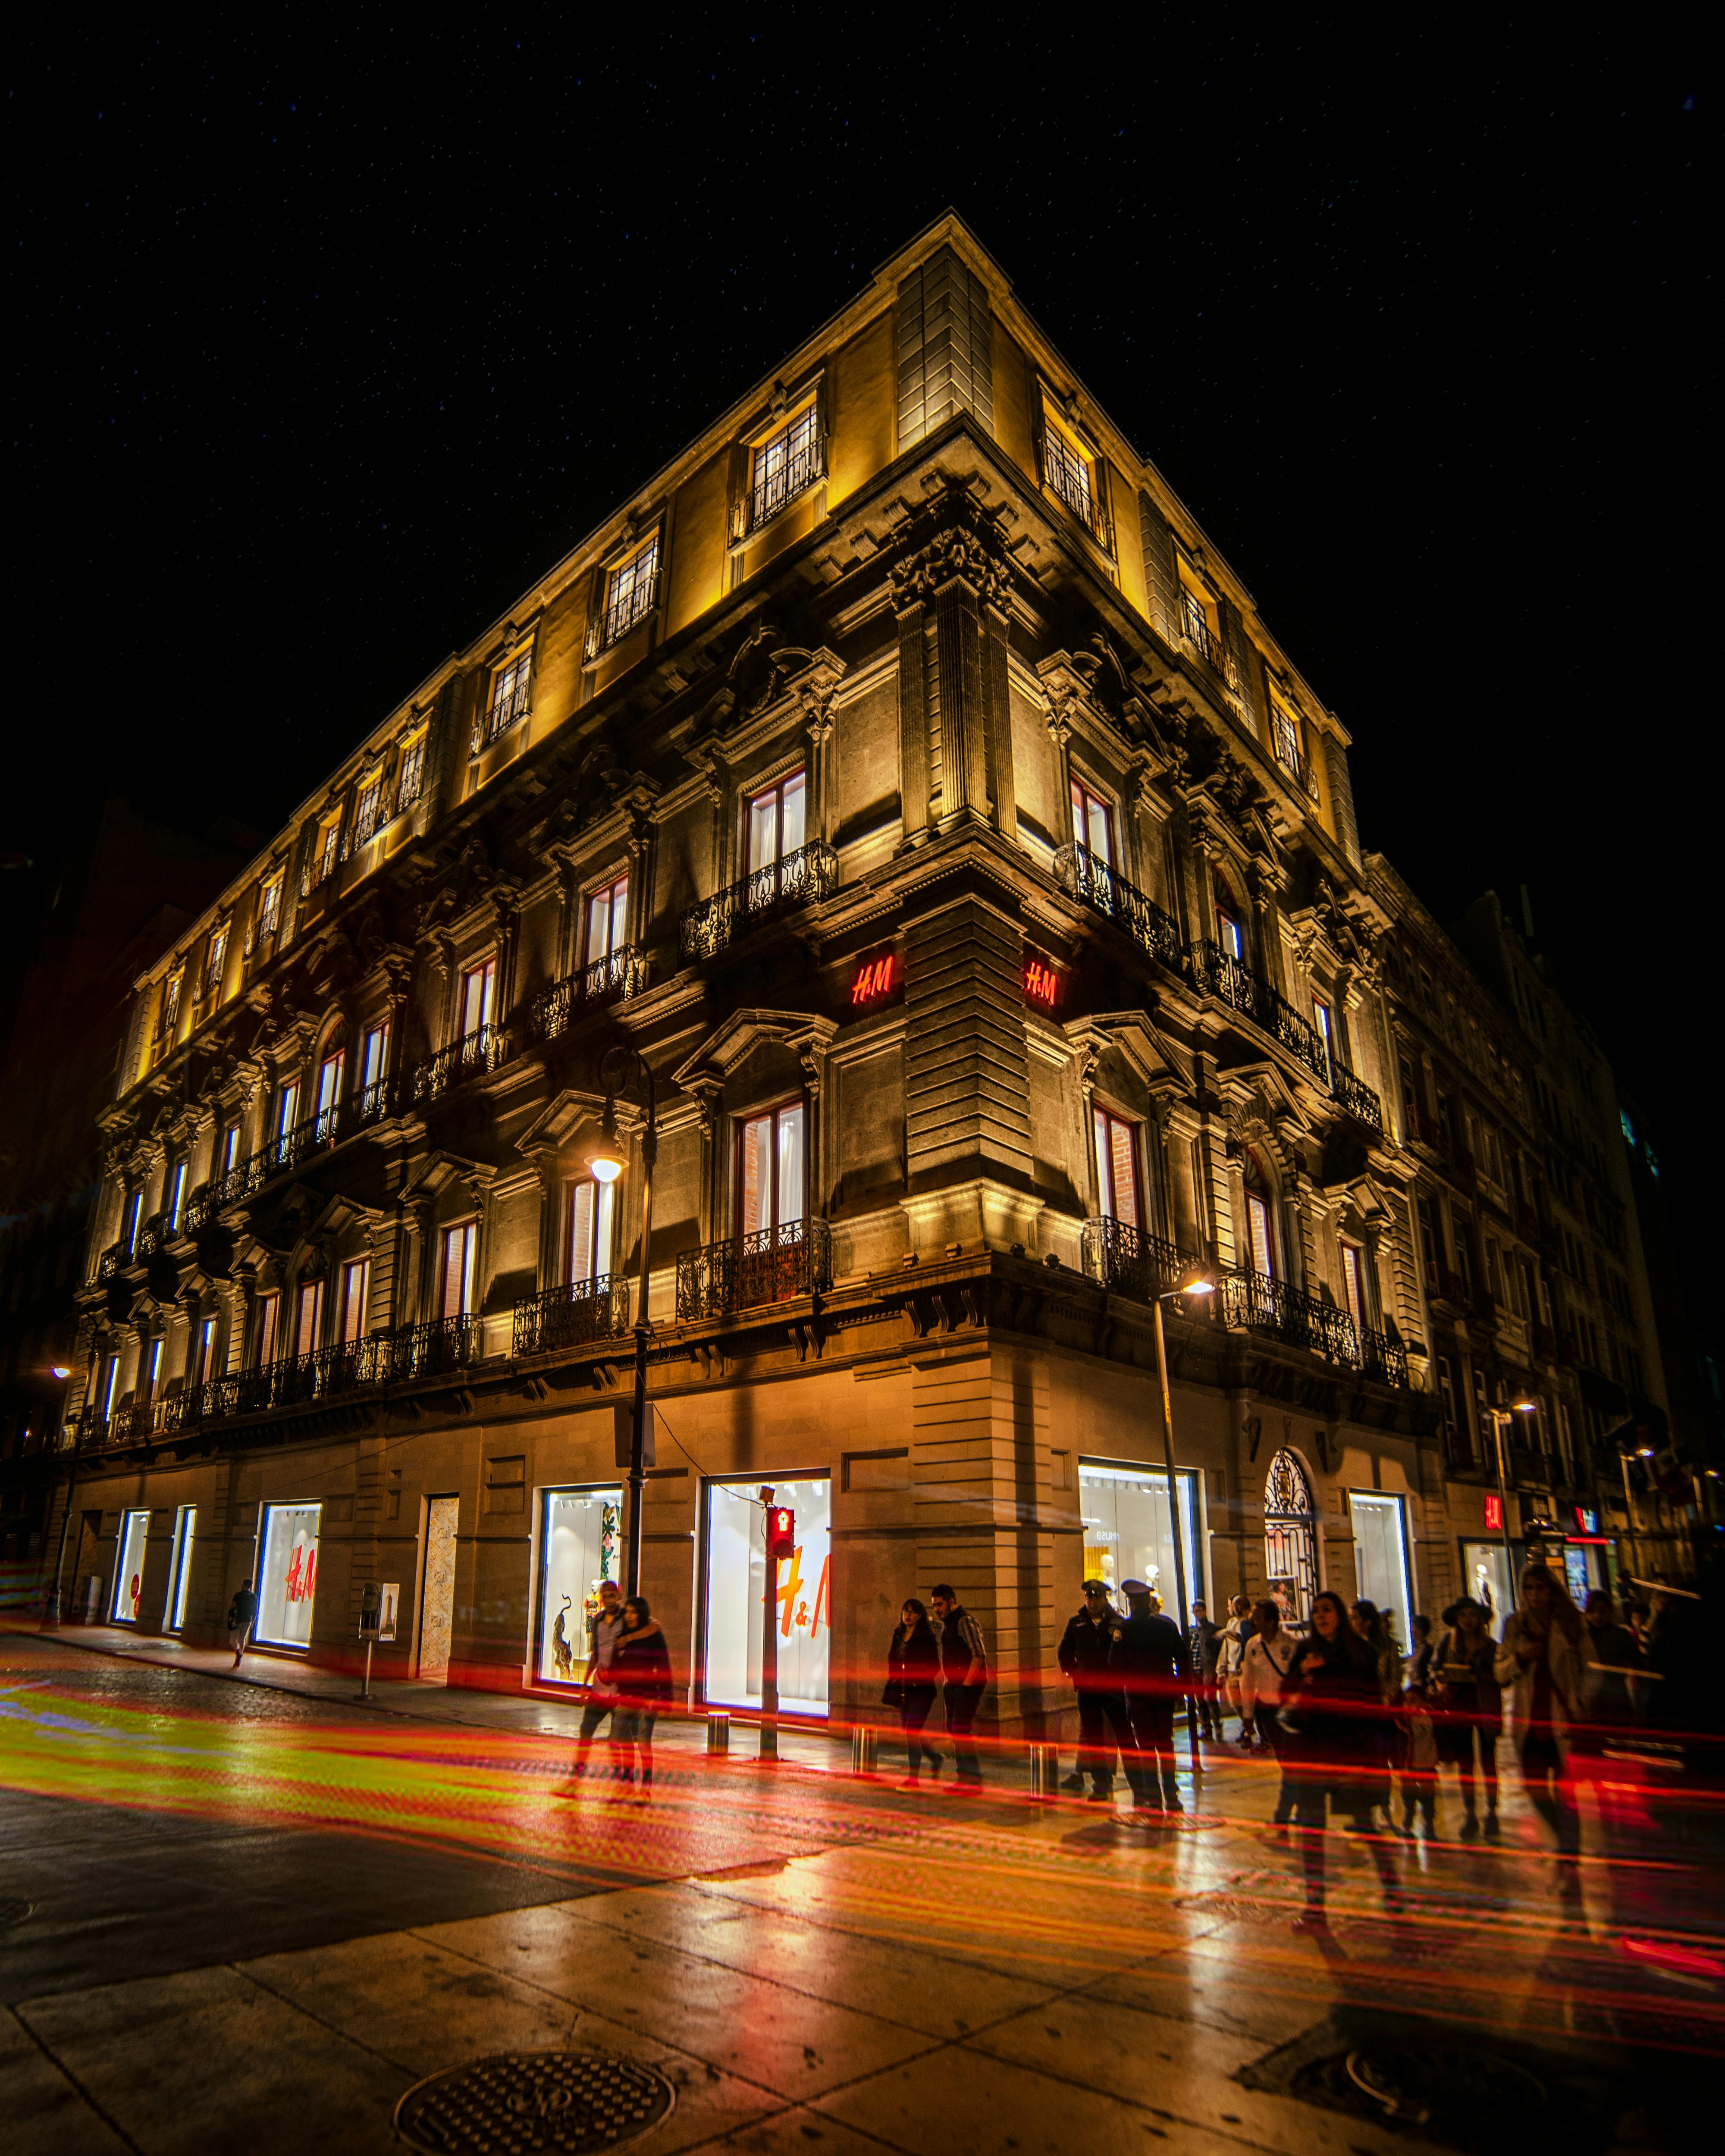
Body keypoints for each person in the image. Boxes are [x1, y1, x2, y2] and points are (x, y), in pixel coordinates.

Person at [1278, 1589, 1402, 1930]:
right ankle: (1315, 1907)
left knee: (1365, 1824)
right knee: (1312, 1829)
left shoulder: (1360, 1652)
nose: (1321, 1616)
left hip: (1349, 1753)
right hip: (1313, 1752)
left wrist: (1366, 1760)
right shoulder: (1306, 1649)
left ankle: (1393, 1893)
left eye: (1328, 1610)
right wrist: (1303, 1671)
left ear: (1340, 1616)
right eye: (1316, 1611)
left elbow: (1371, 1706)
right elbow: (1285, 1692)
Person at [1496, 1564, 1585, 1896]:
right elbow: (1500, 1672)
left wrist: (1580, 1704)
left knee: (1568, 1799)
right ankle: (1565, 1849)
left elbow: (1591, 1670)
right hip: (1529, 1725)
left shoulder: (1571, 1625)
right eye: (1529, 1588)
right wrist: (1519, 1657)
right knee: (1534, 1791)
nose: (1535, 1595)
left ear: (1552, 1590)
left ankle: (1570, 1861)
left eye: (1541, 1588)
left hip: (1563, 1723)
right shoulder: (1515, 1626)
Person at [1110, 1578, 1189, 1813]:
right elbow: (1183, 1659)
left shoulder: (1124, 1630)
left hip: (1139, 1697)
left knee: (1146, 1748)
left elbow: (1114, 1666)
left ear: (1131, 1603)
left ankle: (1154, 1797)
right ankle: (1172, 1796)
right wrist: (1180, 1688)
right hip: (1164, 1694)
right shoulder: (1167, 1625)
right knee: (1166, 1745)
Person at [1429, 1596, 1503, 1839]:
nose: (1467, 1621)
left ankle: (1492, 1812)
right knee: (1465, 1763)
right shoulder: (1448, 1643)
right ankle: (1471, 1813)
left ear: (1480, 1619)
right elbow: (1435, 1669)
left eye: (1472, 1615)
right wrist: (1442, 1678)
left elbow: (1500, 1675)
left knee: (1488, 1762)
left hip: (1485, 1706)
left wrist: (1481, 1672)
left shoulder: (1490, 1646)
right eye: (1462, 1616)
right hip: (1458, 1705)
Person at [1057, 1580, 1130, 1799]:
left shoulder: (1117, 1623)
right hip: (1088, 1689)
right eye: (1089, 1598)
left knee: (1121, 1735)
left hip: (1113, 1689)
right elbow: (1065, 1652)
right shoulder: (1077, 1623)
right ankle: (1100, 1783)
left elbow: (1127, 1654)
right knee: (1093, 1737)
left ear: (1104, 1599)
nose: (1092, 1602)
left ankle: (1135, 1781)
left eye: (1097, 1598)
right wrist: (1074, 1674)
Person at [1239, 1598, 1298, 1825]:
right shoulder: (1253, 1646)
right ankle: (1295, 1810)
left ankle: (1285, 1814)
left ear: (1272, 1622)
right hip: (1266, 1712)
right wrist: (1247, 1716)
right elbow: (1248, 1681)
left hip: (1288, 1711)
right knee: (1285, 1762)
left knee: (1289, 1762)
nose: (1252, 1620)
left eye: (1257, 1617)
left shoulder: (1292, 1645)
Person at [1347, 1598, 1401, 1833]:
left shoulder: (1386, 1646)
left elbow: (1394, 1677)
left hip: (1378, 1712)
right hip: (1355, 1713)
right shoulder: (1348, 1646)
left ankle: (1385, 1810)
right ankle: (1362, 1816)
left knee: (1380, 1763)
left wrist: (1385, 1700)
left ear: (1368, 1622)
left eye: (1355, 1618)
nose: (1351, 1622)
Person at [610, 1595, 673, 1795]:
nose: (629, 1616)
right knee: (619, 1738)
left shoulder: (654, 1636)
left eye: (633, 1612)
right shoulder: (622, 1636)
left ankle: (645, 1789)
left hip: (647, 1697)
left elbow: (663, 1666)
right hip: (626, 1695)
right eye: (627, 1612)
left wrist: (666, 1697)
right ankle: (628, 1781)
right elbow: (616, 1663)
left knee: (644, 1744)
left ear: (642, 1614)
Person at [929, 1584, 988, 1789]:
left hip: (967, 1685)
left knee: (962, 1729)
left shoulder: (964, 1621)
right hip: (954, 1684)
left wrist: (967, 1684)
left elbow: (978, 1654)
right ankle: (966, 1777)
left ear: (951, 1602)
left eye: (940, 1604)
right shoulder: (948, 1624)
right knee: (955, 1729)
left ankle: (970, 1778)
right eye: (934, 1606)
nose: (936, 1609)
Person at [568, 1579, 629, 1777]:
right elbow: (595, 1654)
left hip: (620, 1689)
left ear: (619, 1596)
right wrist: (585, 1683)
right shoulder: (597, 1621)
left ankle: (623, 1776)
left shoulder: (627, 1620)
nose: (608, 1600)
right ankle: (578, 1771)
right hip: (599, 1686)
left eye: (612, 1595)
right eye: (605, 1596)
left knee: (619, 1738)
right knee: (586, 1729)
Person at [884, 1597, 942, 1787]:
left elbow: (934, 1666)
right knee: (911, 1731)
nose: (907, 1615)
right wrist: (894, 1677)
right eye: (905, 1611)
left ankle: (913, 1777)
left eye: (912, 1612)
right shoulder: (898, 1634)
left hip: (921, 1692)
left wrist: (918, 1679)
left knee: (911, 1731)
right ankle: (935, 1758)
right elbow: (892, 1657)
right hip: (902, 1690)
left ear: (919, 1616)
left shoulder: (926, 1637)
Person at [1397, 1681, 1439, 1838]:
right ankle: (1409, 1818)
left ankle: (1429, 1823)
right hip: (1410, 1765)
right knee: (1408, 1793)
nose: (1408, 1705)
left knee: (1427, 1796)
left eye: (1412, 1701)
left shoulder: (1423, 1717)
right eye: (1405, 1701)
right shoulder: (1407, 1718)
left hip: (1425, 1764)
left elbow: (1417, 1732)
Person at [1218, 1595, 1255, 1746]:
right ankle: (1247, 1727)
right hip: (1232, 1667)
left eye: (1231, 1605)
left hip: (1244, 1667)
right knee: (1235, 1702)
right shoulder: (1231, 1623)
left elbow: (1248, 1641)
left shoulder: (1248, 1622)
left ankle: (1248, 1732)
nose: (1229, 1608)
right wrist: (1221, 1669)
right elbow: (1226, 1647)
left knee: (1247, 1702)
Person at [1188, 1599, 1222, 1739]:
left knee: (1210, 1698)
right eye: (1195, 1611)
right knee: (1200, 1699)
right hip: (1196, 1670)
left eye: (1200, 1610)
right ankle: (1206, 1726)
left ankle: (1216, 1723)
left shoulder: (1213, 1630)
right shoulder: (1192, 1631)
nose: (1197, 1613)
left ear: (1205, 1611)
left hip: (1209, 1669)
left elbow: (1219, 1650)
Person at [226, 1579, 257, 1667]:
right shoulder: (253, 1596)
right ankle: (239, 1658)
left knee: (233, 1640)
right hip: (248, 1620)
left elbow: (232, 1607)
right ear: (250, 1586)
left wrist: (229, 1617)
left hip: (238, 1620)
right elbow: (255, 1611)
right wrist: (253, 1622)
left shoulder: (238, 1595)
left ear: (243, 1585)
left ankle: (238, 1653)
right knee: (242, 1639)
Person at [1405, 1614, 1435, 1688]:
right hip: (1413, 1685)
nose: (1411, 1630)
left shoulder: (1427, 1650)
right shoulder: (1414, 1648)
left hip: (1422, 1687)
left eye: (1413, 1627)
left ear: (1420, 1630)